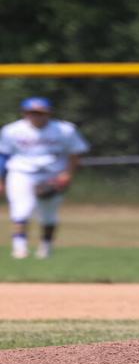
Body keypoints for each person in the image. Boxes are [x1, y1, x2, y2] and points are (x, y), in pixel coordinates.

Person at [2, 97, 90, 260]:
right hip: (21, 172)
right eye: (32, 113)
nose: (37, 116)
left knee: (49, 214)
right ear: (24, 113)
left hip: (52, 174)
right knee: (22, 209)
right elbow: (3, 155)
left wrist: (67, 175)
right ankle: (19, 249)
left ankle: (46, 248)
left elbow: (75, 154)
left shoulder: (65, 130)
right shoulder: (11, 130)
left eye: (41, 113)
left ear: (49, 113)